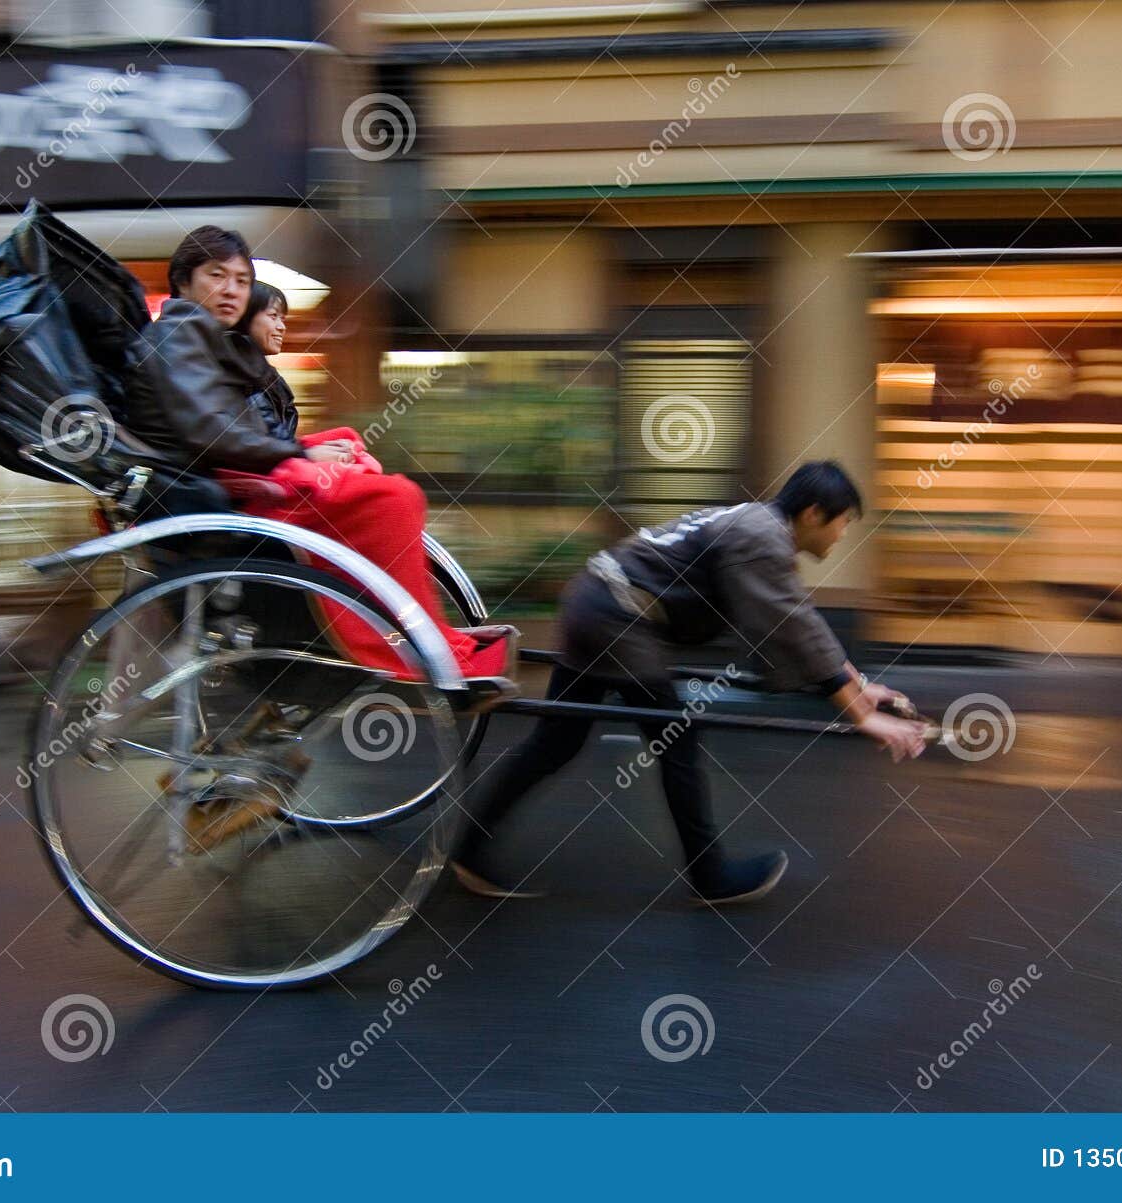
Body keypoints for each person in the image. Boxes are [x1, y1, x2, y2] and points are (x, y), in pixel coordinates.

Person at [450, 460, 928, 906]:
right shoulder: (762, 537)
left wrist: (858, 685)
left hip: (597, 605)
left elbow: (798, 620)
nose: (844, 535)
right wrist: (859, 713)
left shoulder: (761, 527)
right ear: (813, 513)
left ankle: (469, 850)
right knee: (676, 739)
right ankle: (710, 876)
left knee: (556, 742)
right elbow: (792, 625)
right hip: (617, 619)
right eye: (843, 522)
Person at [131, 227, 510, 683]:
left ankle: (417, 638)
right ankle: (408, 645)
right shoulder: (181, 333)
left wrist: (306, 452)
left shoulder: (207, 338)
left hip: (236, 479)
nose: (232, 289)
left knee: (379, 487)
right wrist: (302, 455)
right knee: (392, 499)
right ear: (183, 280)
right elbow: (212, 434)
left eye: (242, 280)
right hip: (225, 492)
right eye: (217, 275)